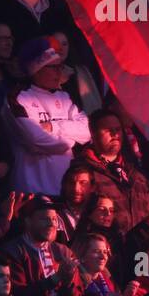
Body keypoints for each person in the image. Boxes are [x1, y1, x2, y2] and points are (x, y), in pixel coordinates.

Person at [7, 37, 90, 196]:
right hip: (33, 192)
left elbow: (87, 130)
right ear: (37, 70)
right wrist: (69, 140)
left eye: (60, 67)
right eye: (54, 67)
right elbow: (35, 139)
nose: (59, 72)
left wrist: (54, 126)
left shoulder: (64, 96)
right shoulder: (18, 97)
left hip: (66, 190)